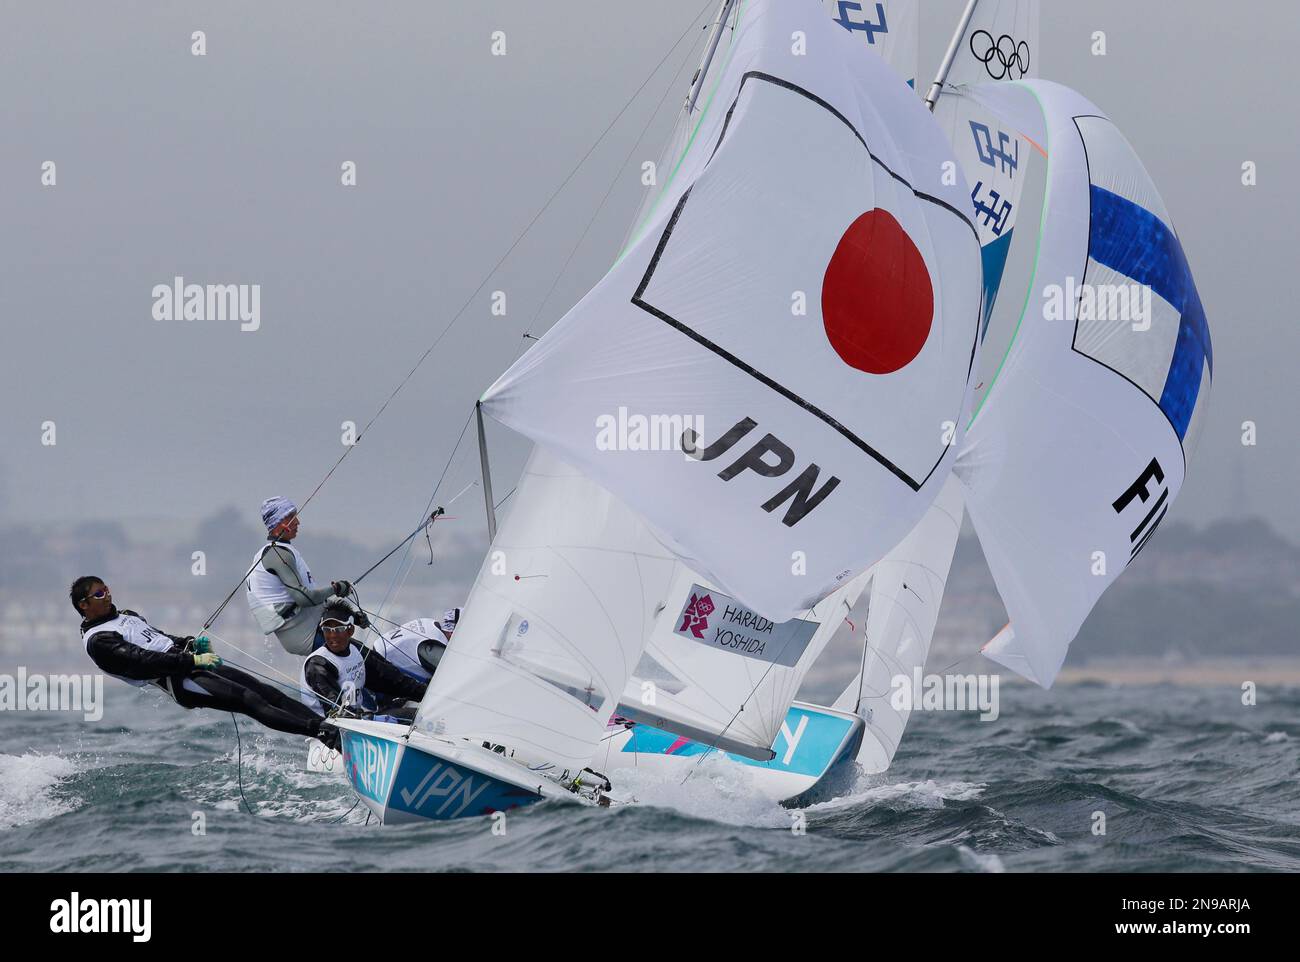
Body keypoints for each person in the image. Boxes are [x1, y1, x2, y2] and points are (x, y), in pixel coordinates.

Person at [72, 576, 338, 749]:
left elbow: (159, 639)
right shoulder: (99, 641)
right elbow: (144, 661)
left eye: (106, 589)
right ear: (84, 605)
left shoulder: (125, 615)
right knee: (248, 700)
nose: (106, 595)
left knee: (264, 690)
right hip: (180, 681)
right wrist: (190, 659)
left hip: (191, 663)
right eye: (98, 595)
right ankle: (321, 733)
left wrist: (188, 642)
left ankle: (325, 725)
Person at [245, 496, 364, 654]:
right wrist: (336, 588)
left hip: (311, 624)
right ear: (277, 523)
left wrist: (352, 616)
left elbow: (316, 603)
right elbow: (304, 598)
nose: (297, 522)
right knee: (365, 660)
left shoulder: (284, 551)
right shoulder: (277, 554)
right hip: (304, 635)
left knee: (369, 656)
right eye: (290, 517)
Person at [300, 602, 429, 720]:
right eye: (327, 630)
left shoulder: (356, 650)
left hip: (358, 722)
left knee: (422, 715)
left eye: (339, 629)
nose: (332, 635)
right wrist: (371, 718)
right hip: (331, 732)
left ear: (350, 630)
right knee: (413, 717)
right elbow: (335, 711)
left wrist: (428, 694)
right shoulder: (318, 664)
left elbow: (391, 679)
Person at [372, 607, 461, 683]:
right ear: (452, 632)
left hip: (376, 652)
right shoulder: (434, 649)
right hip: (382, 671)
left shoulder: (429, 622)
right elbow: (453, 676)